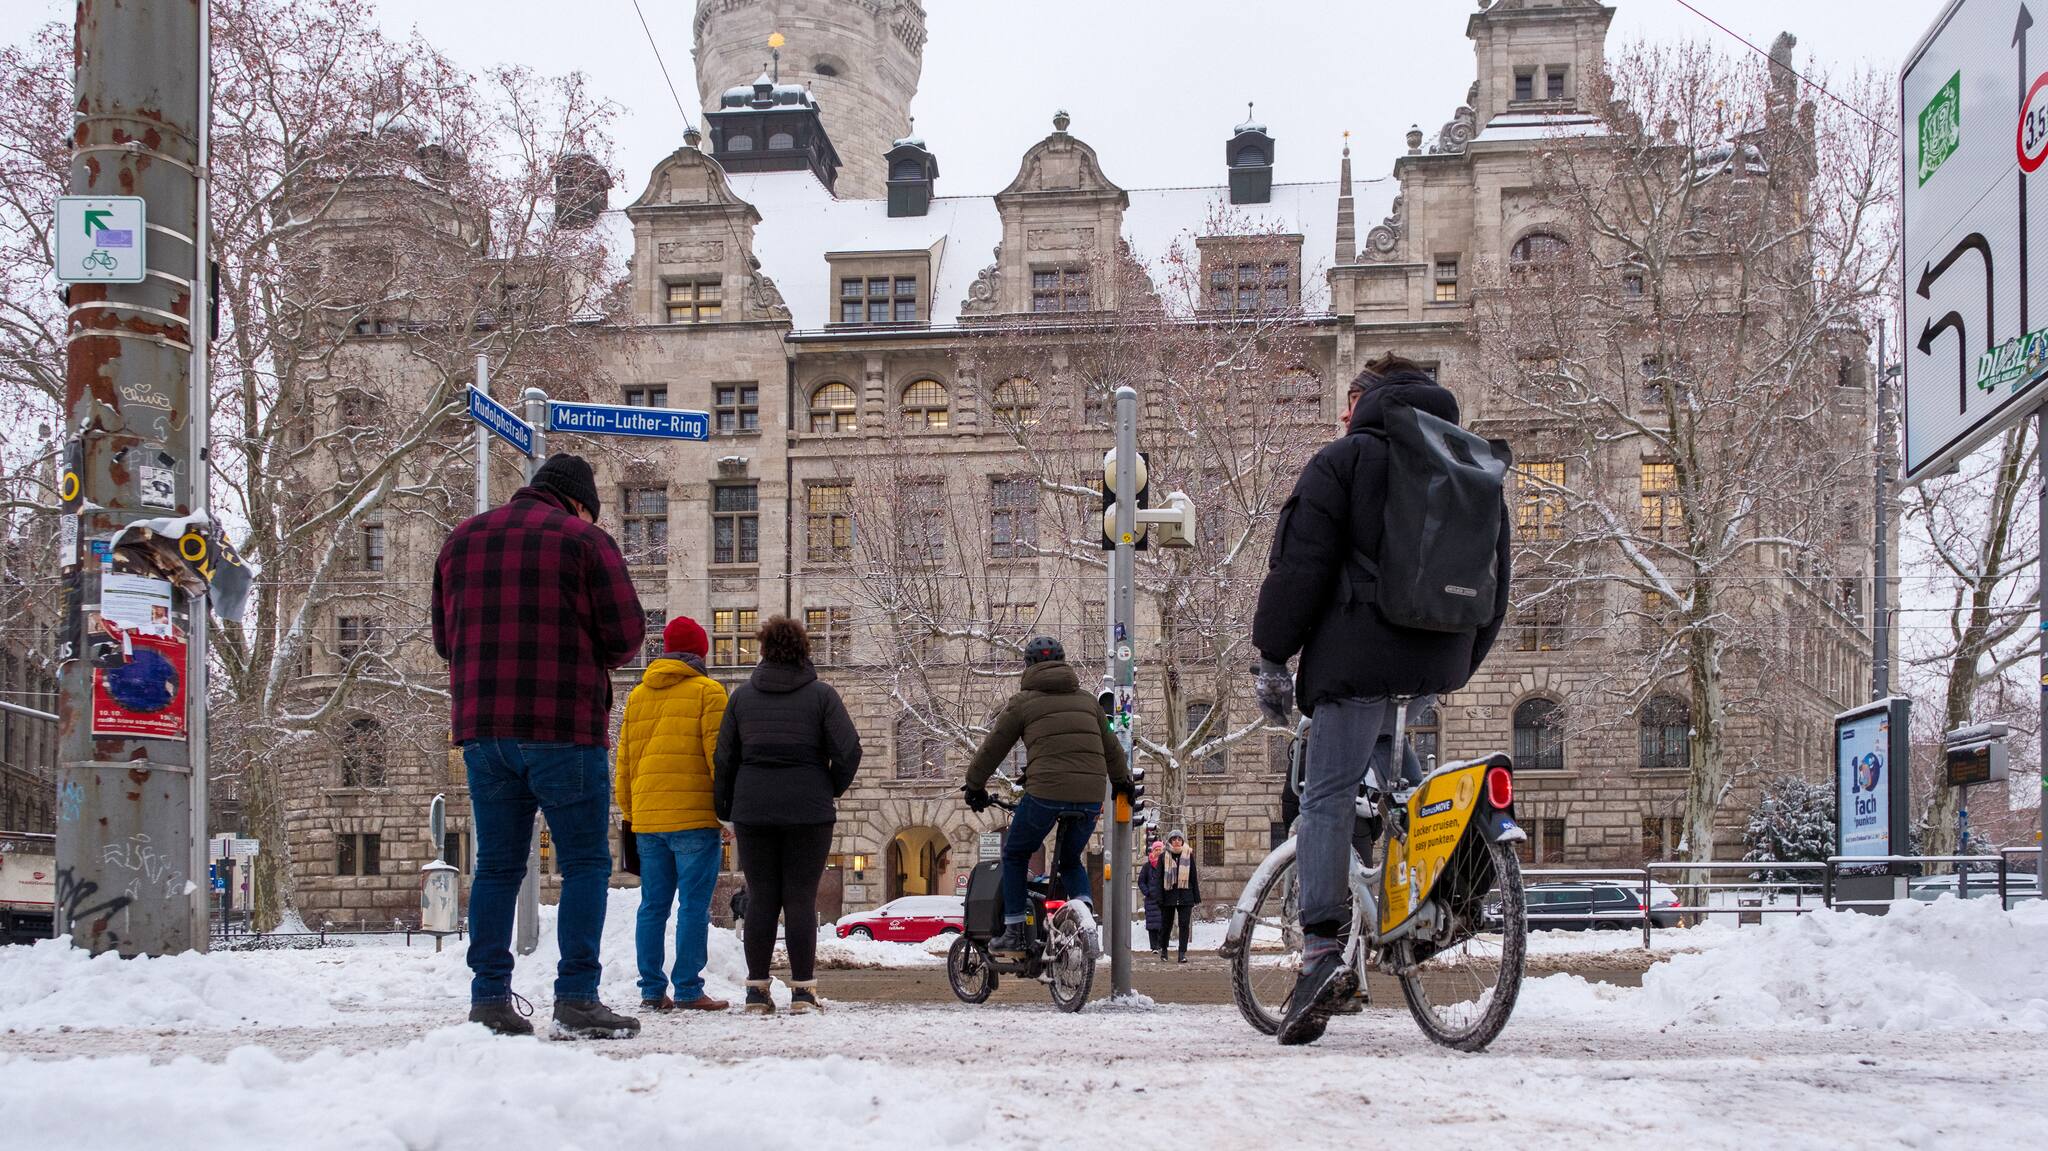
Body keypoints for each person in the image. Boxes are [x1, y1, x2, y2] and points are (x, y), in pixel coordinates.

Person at [1251, 355, 1511, 1046]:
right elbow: (1497, 583)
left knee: (1325, 795)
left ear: (1366, 398)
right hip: (1437, 657)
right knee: (1400, 779)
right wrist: (1456, 662)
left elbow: (1300, 565)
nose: (1343, 413)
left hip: (1357, 659)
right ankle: (1448, 886)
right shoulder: (1472, 466)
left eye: (1349, 399)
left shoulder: (1345, 461)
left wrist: (1273, 654)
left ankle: (1321, 950)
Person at [432, 453, 647, 1039]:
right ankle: (576, 996)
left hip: (483, 729)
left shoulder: (460, 541)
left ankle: (489, 998)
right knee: (583, 864)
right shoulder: (585, 540)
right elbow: (627, 635)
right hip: (563, 727)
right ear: (579, 502)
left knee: (496, 867)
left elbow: (444, 641)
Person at [714, 615, 862, 1015]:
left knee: (762, 897)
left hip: (754, 811)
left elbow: (724, 757)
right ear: (803, 651)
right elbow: (849, 751)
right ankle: (802, 992)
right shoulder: (821, 696)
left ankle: (757, 992)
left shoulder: (742, 698)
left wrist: (726, 807)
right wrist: (827, 787)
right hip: (808, 812)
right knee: (799, 898)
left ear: (762, 650)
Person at [962, 636, 1133, 955]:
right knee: (1070, 859)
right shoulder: (1087, 701)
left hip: (1045, 794)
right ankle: (1083, 923)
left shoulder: (1024, 702)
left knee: (1015, 854)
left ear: (1028, 666)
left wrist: (974, 786)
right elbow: (1112, 747)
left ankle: (1013, 931)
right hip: (1090, 795)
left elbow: (994, 747)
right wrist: (1122, 783)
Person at [616, 615, 730, 1014]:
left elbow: (624, 764)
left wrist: (631, 814)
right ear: (702, 651)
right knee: (693, 908)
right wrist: (727, 814)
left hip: (648, 820)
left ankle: (650, 990)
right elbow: (720, 760)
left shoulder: (638, 696)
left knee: (652, 907)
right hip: (695, 819)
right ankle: (687, 989)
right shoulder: (709, 692)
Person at [1158, 829, 1200, 962]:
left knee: (1184, 925)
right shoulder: (1163, 856)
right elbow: (1158, 879)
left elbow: (1193, 877)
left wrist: (1196, 896)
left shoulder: (1188, 855)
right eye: (1174, 839)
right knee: (1166, 925)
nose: (1177, 841)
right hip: (1168, 896)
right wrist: (1159, 897)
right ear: (1170, 841)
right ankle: (1164, 950)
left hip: (1185, 895)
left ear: (1182, 841)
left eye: (1179, 839)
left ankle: (1182, 953)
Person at [1138, 839, 1167, 958]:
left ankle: (1161, 945)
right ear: (1153, 851)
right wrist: (1147, 892)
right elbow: (1141, 881)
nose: (1158, 852)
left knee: (1162, 923)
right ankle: (1154, 946)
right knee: (1152, 924)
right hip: (1151, 899)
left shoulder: (1166, 864)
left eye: (1160, 850)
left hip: (1163, 898)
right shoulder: (1147, 866)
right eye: (1156, 850)